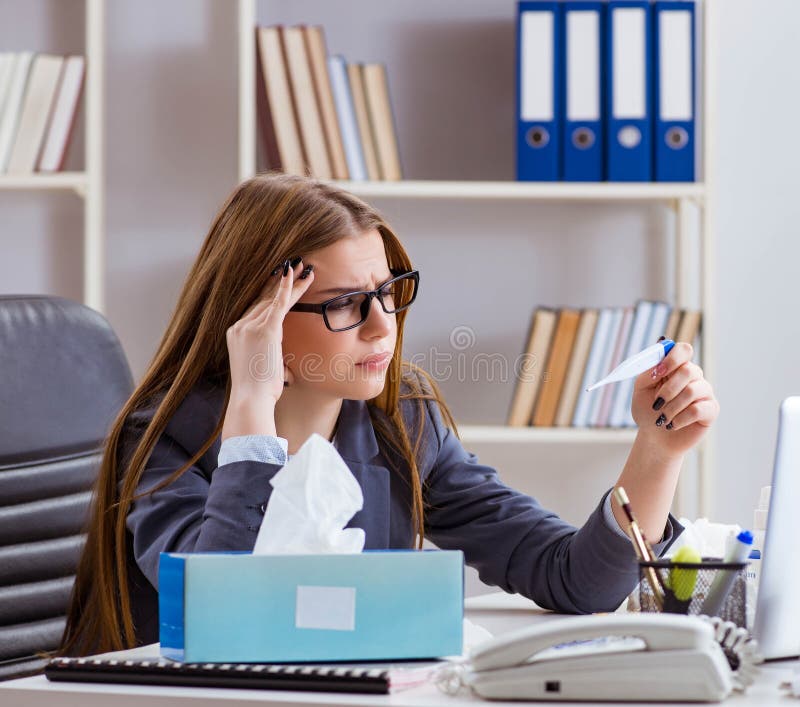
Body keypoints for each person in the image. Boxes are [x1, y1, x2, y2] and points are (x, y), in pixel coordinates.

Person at [61, 172, 719, 655]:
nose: (384, 327)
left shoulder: (400, 418)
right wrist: (253, 407)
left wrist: (657, 453)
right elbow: (212, 615)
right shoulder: (169, 436)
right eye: (347, 304)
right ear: (258, 321)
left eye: (388, 293)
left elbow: (577, 579)